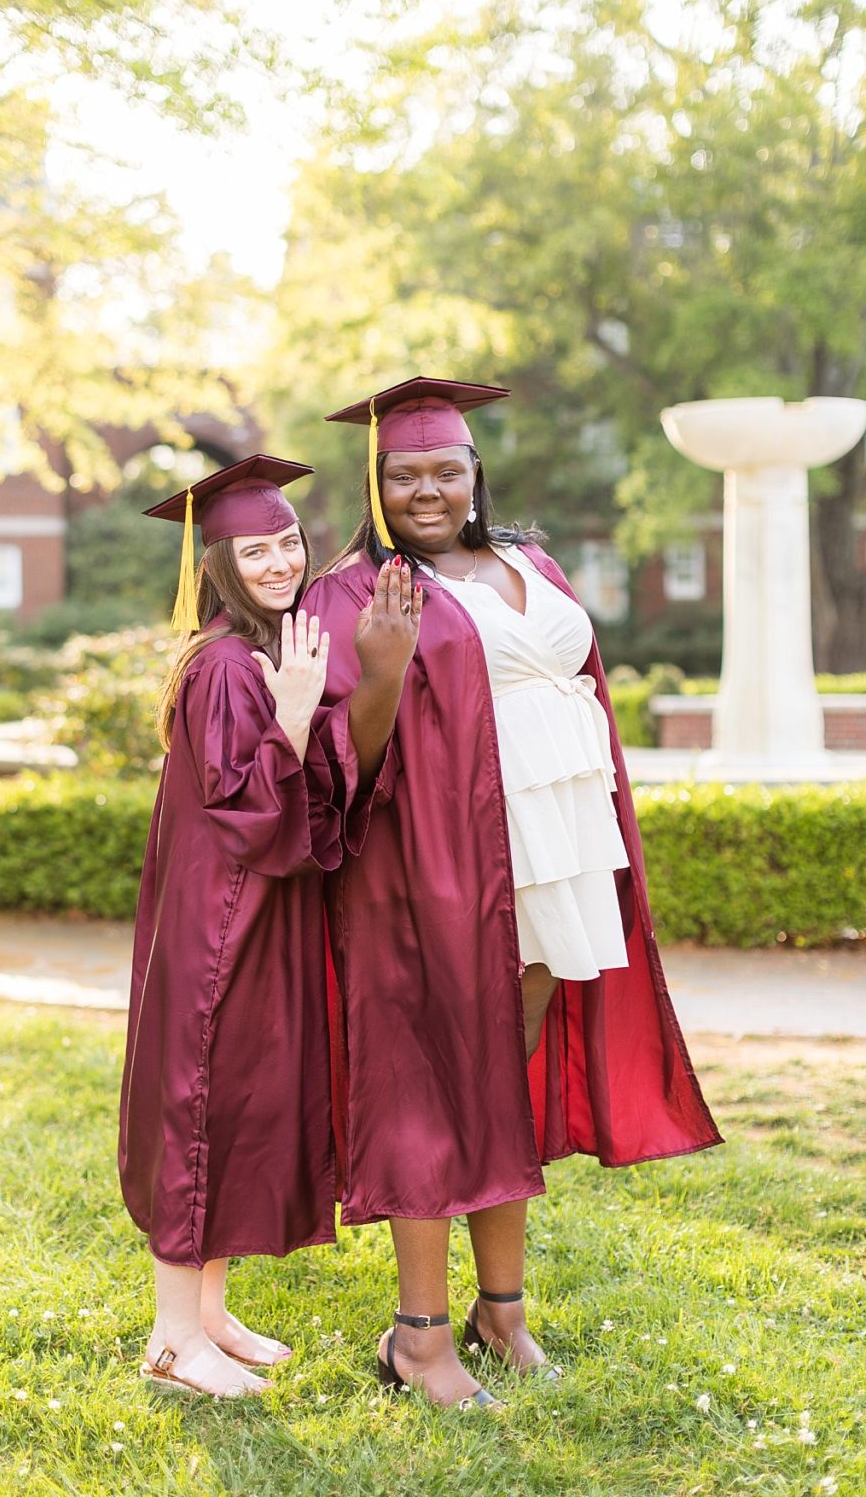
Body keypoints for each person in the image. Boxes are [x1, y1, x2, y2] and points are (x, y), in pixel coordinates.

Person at [305, 377, 722, 1409]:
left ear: (475, 472)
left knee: (497, 1077)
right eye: (404, 476)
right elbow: (337, 759)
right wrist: (385, 672)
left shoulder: (527, 558)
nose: (427, 490)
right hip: (449, 864)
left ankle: (500, 1312)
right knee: (433, 1081)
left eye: (446, 470)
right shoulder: (353, 591)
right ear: (376, 483)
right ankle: (418, 1336)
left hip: (561, 846)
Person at [118, 455, 343, 1399]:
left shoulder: (266, 648)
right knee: (202, 1106)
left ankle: (208, 1315)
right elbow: (250, 810)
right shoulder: (222, 665)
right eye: (256, 549)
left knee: (239, 1098)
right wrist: (292, 720)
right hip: (222, 929)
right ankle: (173, 1339)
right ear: (218, 564)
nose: (281, 560)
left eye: (288, 541)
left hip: (253, 915)